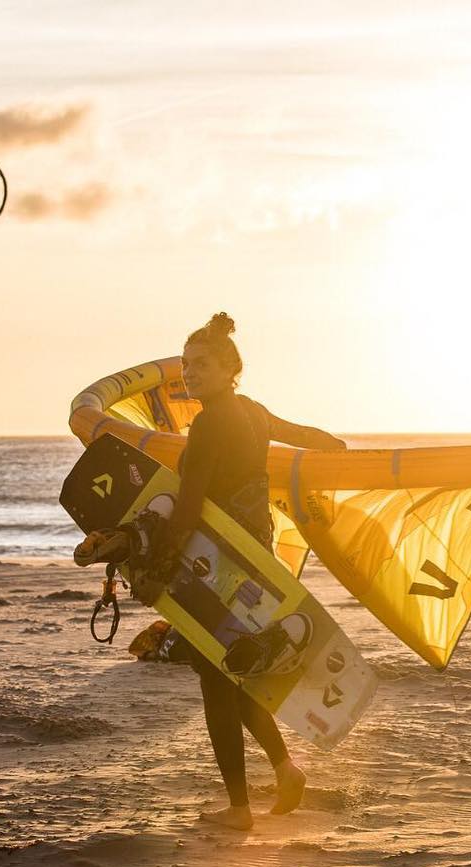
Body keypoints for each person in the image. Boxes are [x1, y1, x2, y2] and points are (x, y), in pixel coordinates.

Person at [164, 312, 345, 830]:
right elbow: (300, 434)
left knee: (214, 679)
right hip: (256, 561)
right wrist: (338, 448)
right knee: (235, 670)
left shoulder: (209, 420)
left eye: (200, 364)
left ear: (228, 369)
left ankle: (239, 809)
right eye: (184, 364)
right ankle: (286, 770)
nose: (189, 372)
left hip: (216, 564)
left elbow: (191, 497)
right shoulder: (253, 411)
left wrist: (159, 562)